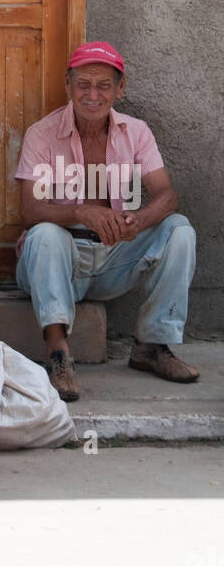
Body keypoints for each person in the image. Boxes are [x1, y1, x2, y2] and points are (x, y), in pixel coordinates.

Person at [15, 41, 198, 402]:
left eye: (103, 85)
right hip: (59, 261)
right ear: (69, 87)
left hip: (115, 256)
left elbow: (166, 195)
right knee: (45, 234)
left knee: (179, 229)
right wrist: (80, 211)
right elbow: (29, 208)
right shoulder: (43, 133)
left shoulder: (137, 132)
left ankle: (151, 346)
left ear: (120, 88)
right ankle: (57, 352)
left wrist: (140, 219)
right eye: (83, 84)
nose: (92, 95)